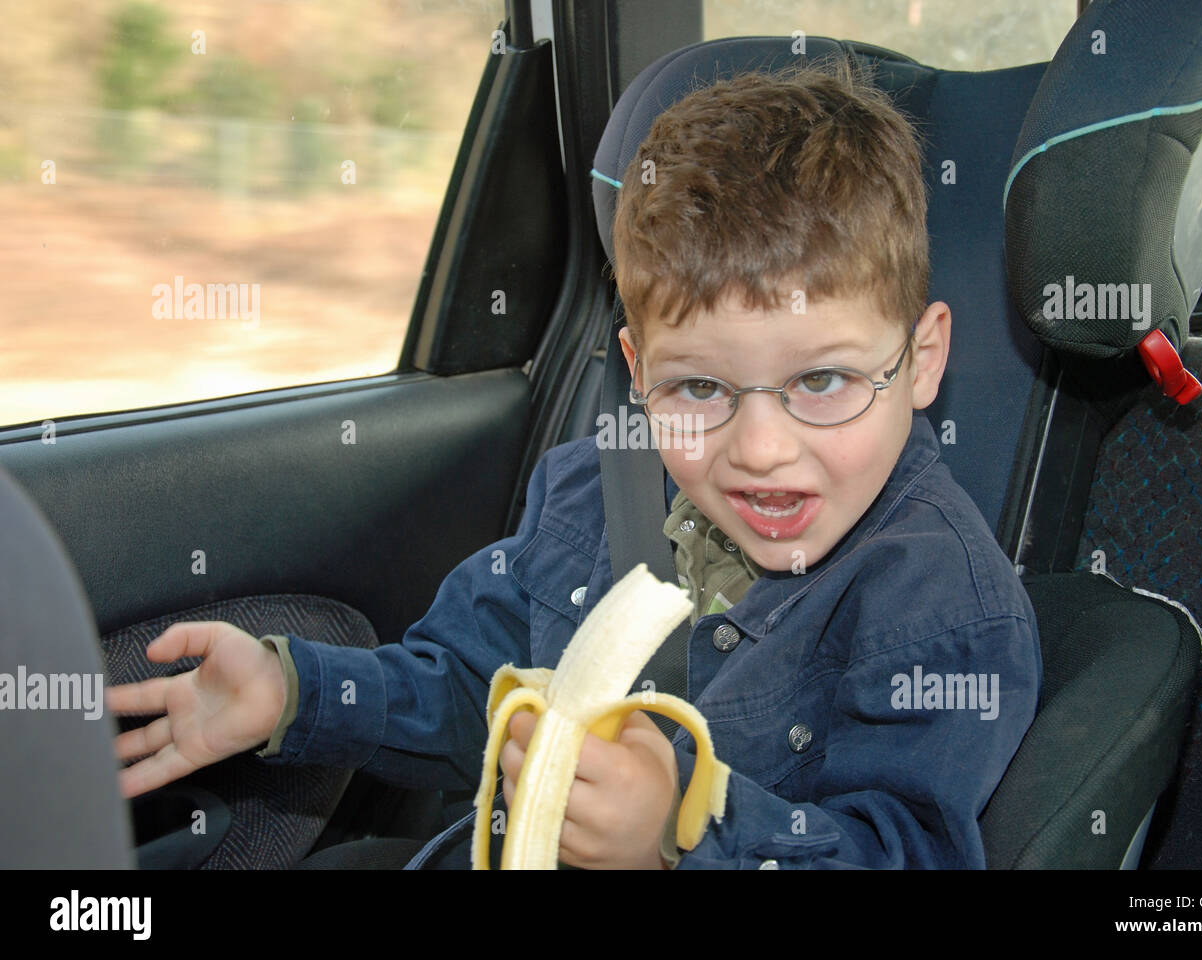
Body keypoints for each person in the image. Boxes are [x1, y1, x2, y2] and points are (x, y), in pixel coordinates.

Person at [106, 55, 1041, 869]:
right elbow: (470, 692)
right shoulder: (594, 492)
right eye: (700, 391)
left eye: (825, 381)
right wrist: (299, 691)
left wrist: (678, 837)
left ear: (921, 361)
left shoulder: (941, 612)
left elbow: (902, 854)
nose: (760, 450)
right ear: (637, 373)